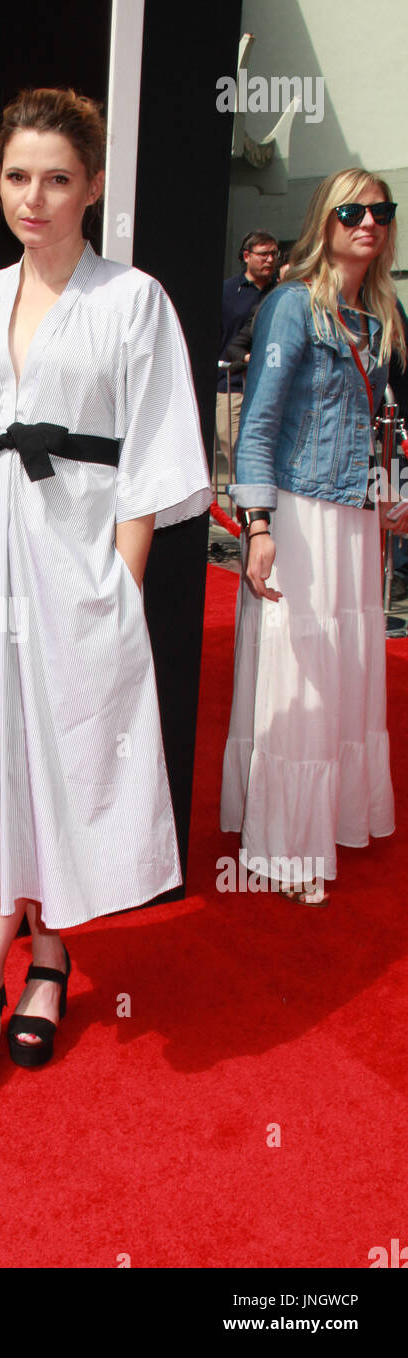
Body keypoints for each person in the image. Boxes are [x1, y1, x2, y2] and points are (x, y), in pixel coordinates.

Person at [0, 87, 211, 1090]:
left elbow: (151, 464)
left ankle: (47, 947)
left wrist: (116, 588)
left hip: (72, 568)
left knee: (59, 761)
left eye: (57, 179)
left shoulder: (131, 300)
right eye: (17, 176)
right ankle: (0, 957)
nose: (34, 198)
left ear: (92, 187)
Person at [220, 168, 408, 905]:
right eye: (352, 211)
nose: (368, 222)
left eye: (381, 211)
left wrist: (394, 494)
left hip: (359, 520)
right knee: (300, 677)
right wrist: (257, 525)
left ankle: (328, 819)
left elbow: (391, 421)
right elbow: (258, 420)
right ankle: (281, 849)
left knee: (345, 672)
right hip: (300, 515)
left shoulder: (382, 314)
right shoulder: (293, 306)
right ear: (323, 220)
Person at [215, 231, 280, 474]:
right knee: (232, 444)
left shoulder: (281, 293)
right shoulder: (227, 291)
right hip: (231, 383)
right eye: (263, 254)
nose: (270, 260)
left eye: (274, 254)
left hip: (269, 385)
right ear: (246, 256)